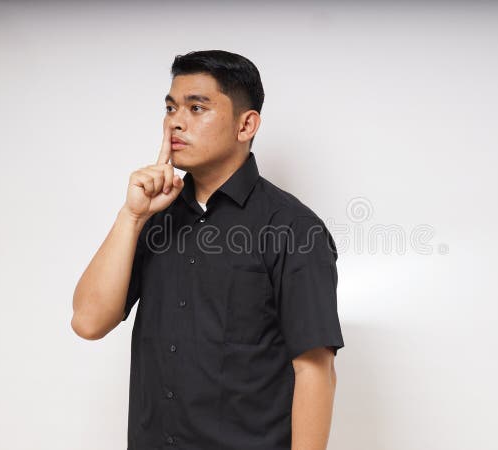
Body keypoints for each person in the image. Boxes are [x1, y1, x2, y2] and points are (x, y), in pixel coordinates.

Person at [71, 50, 345, 450]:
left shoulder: (292, 228)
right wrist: (131, 217)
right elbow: (87, 322)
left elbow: (315, 372)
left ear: (245, 124)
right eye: (170, 108)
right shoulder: (154, 218)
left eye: (197, 107)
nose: (176, 122)